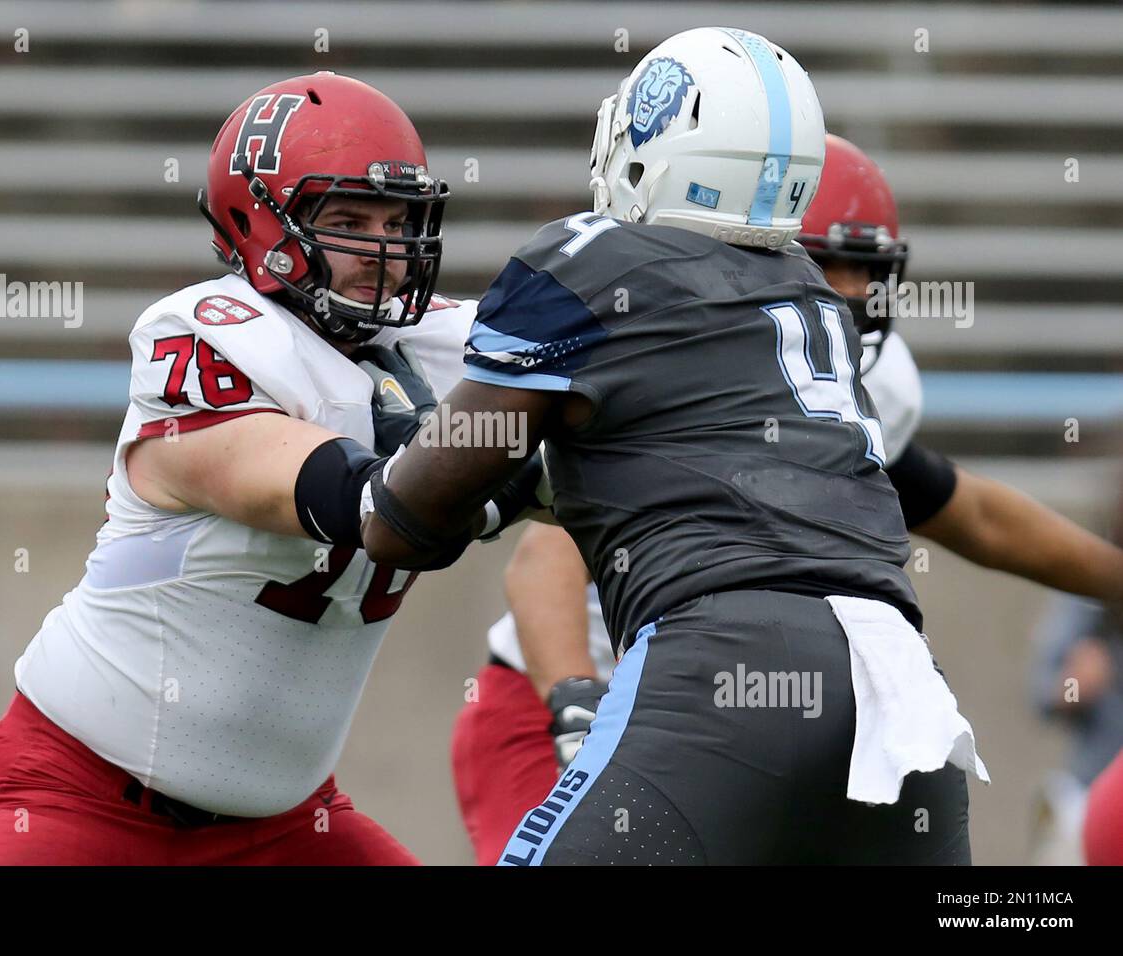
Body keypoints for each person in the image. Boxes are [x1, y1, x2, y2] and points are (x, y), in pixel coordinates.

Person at [361, 27, 990, 865]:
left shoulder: (583, 259)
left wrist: (408, 474)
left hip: (724, 661)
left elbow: (401, 517)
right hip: (904, 691)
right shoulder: (810, 297)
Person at [450, 134, 1123, 865]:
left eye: (865, 271)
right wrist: (574, 701)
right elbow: (542, 563)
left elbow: (972, 513)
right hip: (567, 693)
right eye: (822, 265)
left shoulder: (868, 378)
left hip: (733, 718)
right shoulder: (665, 345)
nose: (849, 294)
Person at [0, 72, 478, 865]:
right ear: (261, 225)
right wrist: (490, 476)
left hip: (289, 824)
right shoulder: (207, 335)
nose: (385, 250)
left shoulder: (431, 347)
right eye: (348, 219)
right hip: (83, 804)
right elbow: (351, 495)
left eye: (397, 221)